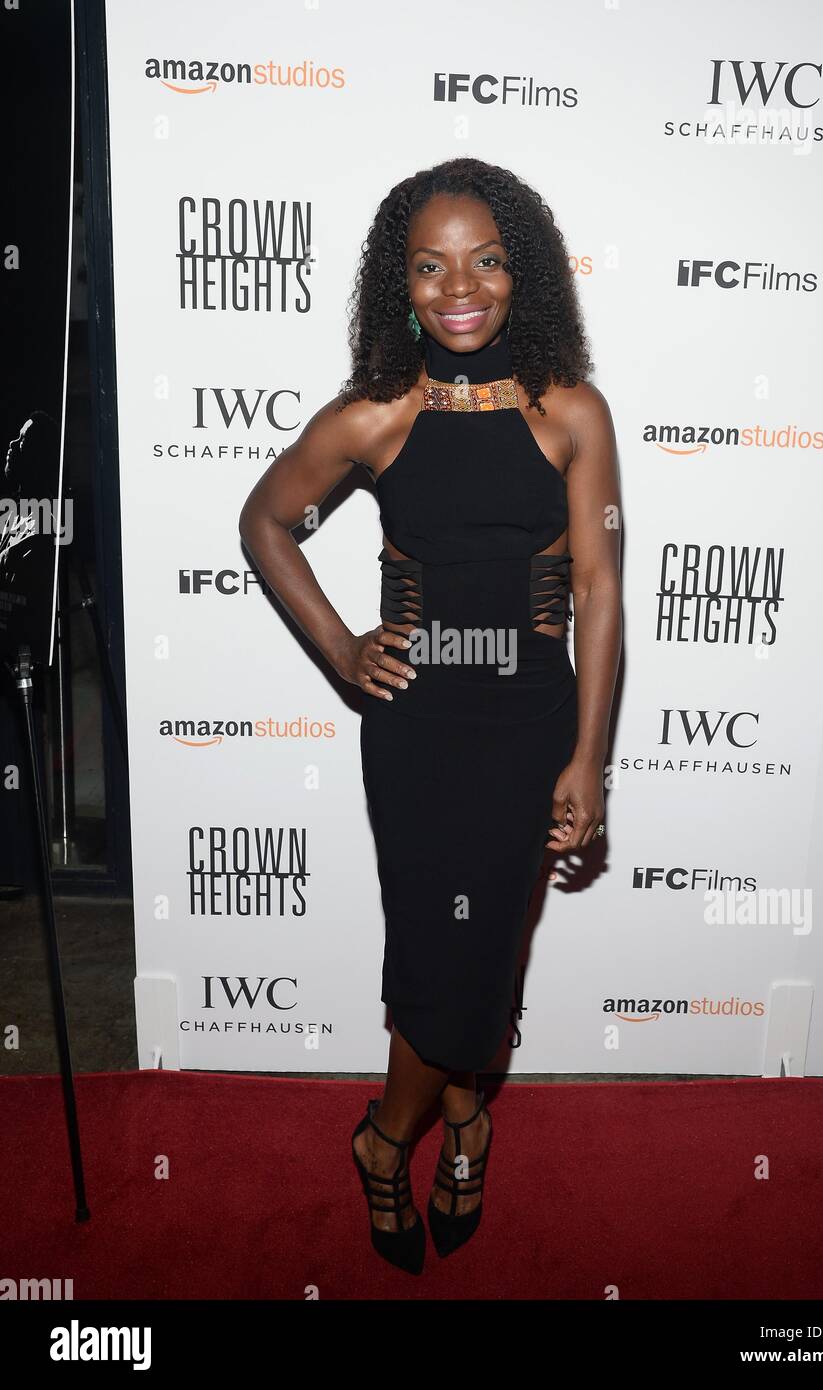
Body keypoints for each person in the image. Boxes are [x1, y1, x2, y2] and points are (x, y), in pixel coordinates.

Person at [239, 157, 622, 1275]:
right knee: (437, 953)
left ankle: (431, 1127)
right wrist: (344, 649)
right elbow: (266, 522)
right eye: (430, 264)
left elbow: (596, 590)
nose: (461, 286)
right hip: (419, 733)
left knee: (488, 950)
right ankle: (413, 1130)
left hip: (532, 723)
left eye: (487, 259)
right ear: (397, 283)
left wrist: (590, 757)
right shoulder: (376, 413)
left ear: (525, 273)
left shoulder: (570, 412)